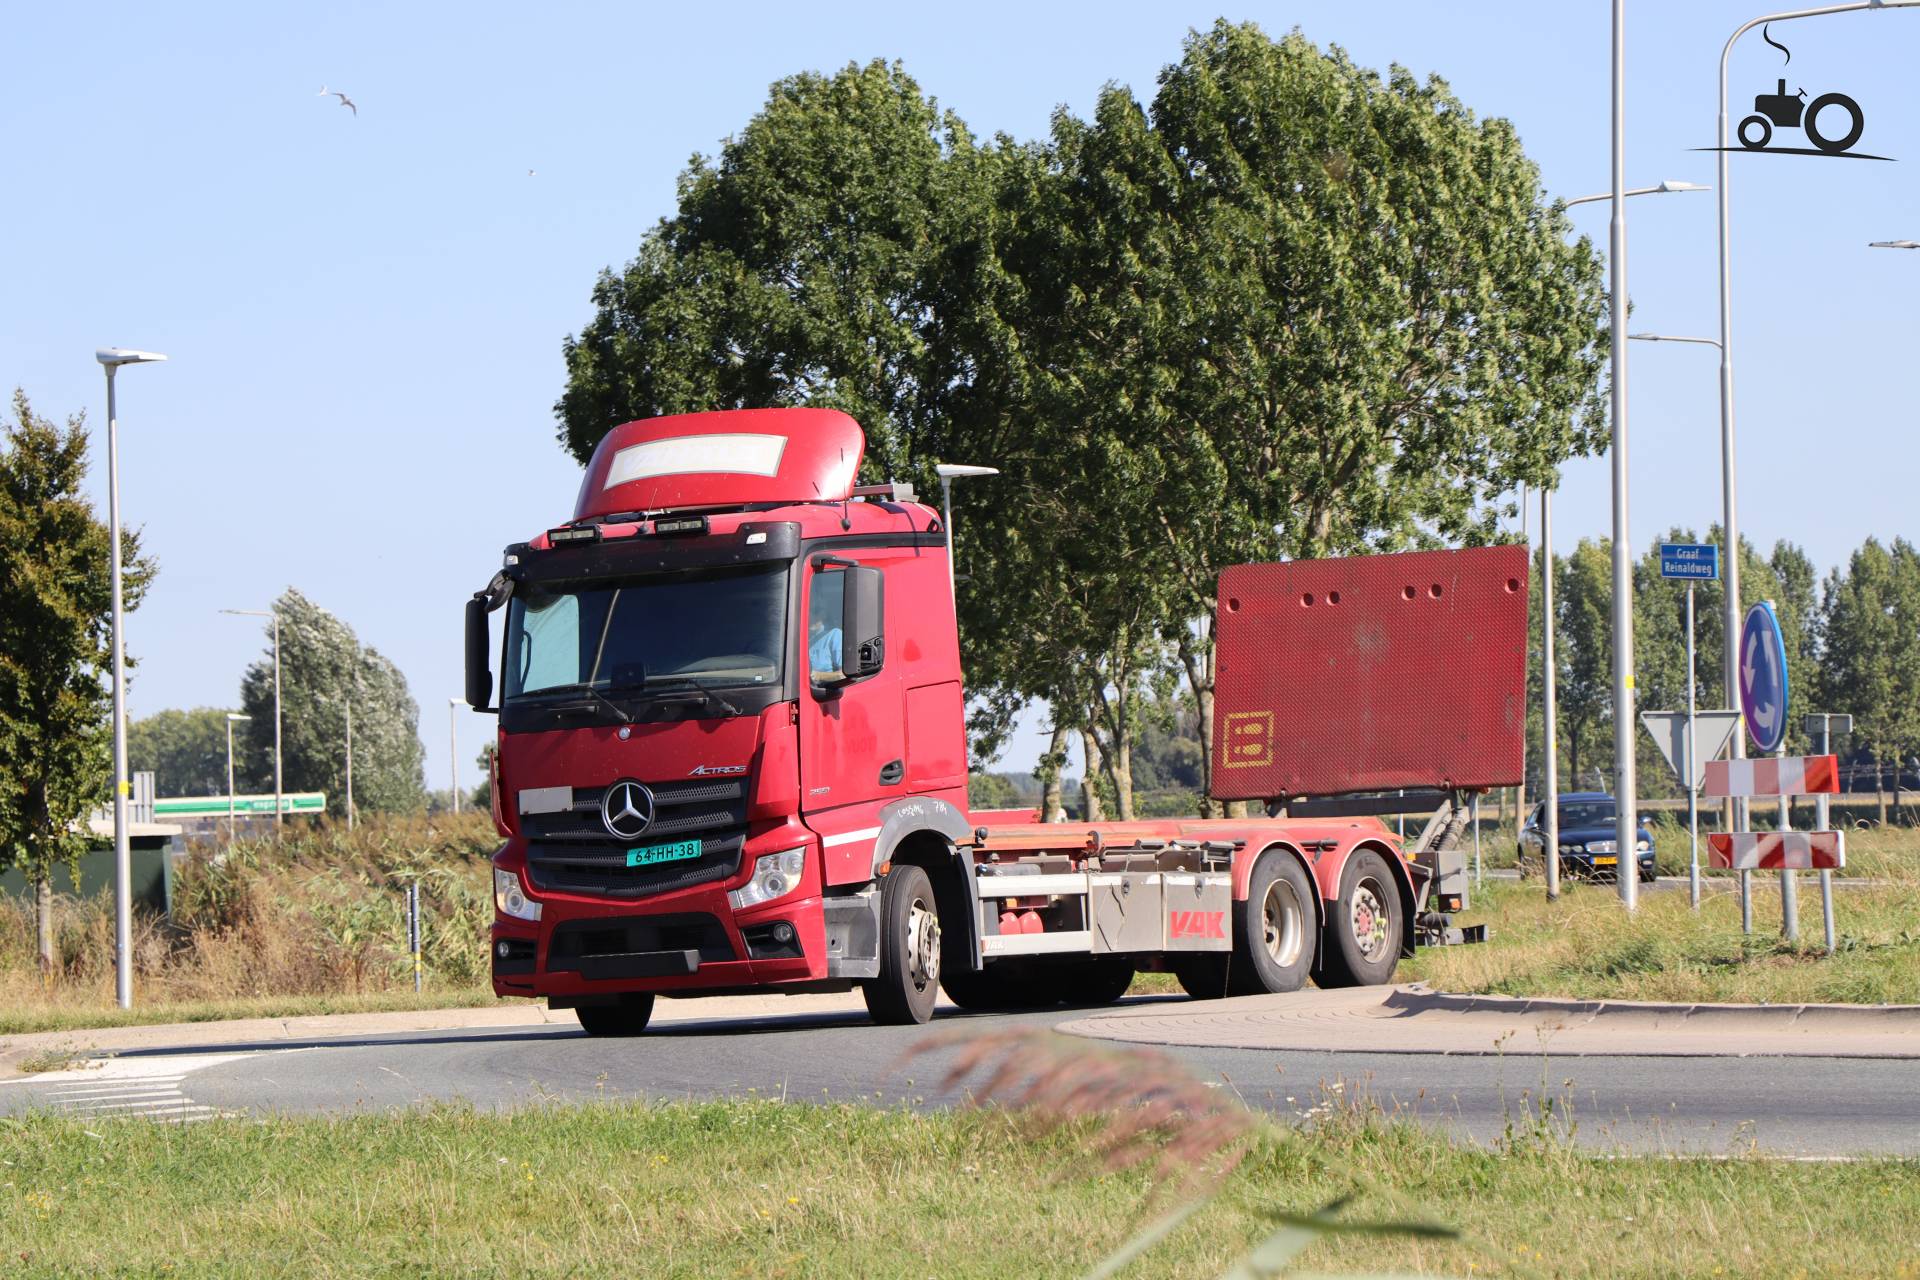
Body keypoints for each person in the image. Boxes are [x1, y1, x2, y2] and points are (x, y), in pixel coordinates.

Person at [808, 615, 842, 680]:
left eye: (816, 611)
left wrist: (818, 676)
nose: (811, 616)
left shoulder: (834, 634)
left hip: (824, 688)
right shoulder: (802, 640)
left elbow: (843, 675)